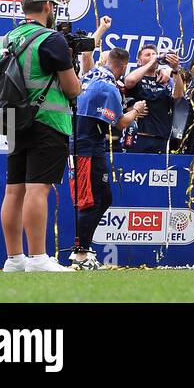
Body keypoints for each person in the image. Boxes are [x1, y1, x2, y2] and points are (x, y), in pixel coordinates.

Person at [0, 0, 82, 273]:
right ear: (48, 7)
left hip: (14, 120)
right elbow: (72, 88)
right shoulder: (52, 39)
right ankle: (38, 258)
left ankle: (14, 259)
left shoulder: (9, 38)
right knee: (38, 188)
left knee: (13, 191)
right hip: (47, 121)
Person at [69, 66, 147, 270]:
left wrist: (101, 31)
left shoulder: (88, 77)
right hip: (83, 150)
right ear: (122, 66)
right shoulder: (107, 86)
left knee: (104, 199)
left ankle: (84, 250)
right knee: (89, 202)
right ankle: (80, 255)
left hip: (94, 147)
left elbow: (87, 56)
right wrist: (137, 110)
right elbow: (121, 124)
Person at [122, 45, 184, 153]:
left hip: (160, 137)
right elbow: (129, 82)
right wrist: (154, 60)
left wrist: (175, 70)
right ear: (139, 61)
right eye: (147, 55)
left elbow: (178, 96)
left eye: (154, 54)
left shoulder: (164, 79)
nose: (152, 56)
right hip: (138, 137)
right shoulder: (136, 78)